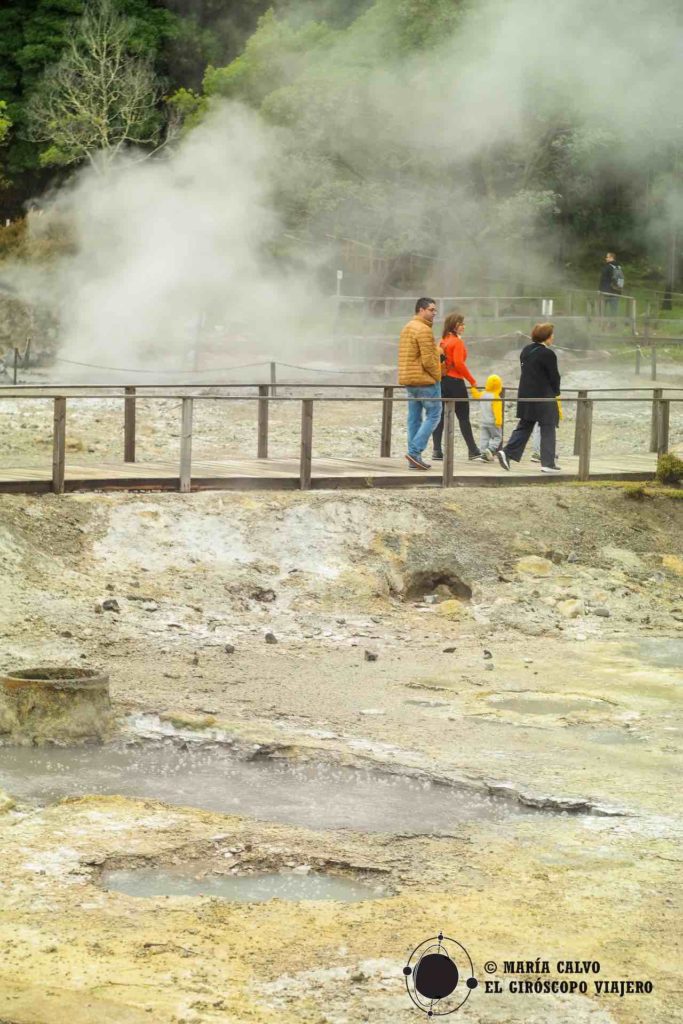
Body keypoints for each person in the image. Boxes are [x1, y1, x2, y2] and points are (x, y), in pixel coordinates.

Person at [497, 322, 561, 473]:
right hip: (544, 397)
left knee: (525, 425)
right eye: (551, 335)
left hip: (526, 394)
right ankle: (548, 463)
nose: (553, 337)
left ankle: (507, 452)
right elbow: (554, 376)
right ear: (546, 337)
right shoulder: (548, 354)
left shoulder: (526, 350)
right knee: (548, 427)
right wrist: (556, 392)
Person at [431, 312, 483, 462]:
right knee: (463, 417)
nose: (463, 327)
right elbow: (459, 364)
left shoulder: (442, 341)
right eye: (461, 324)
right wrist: (472, 380)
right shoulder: (457, 342)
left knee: (440, 417)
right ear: (455, 326)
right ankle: (473, 450)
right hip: (456, 383)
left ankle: (437, 450)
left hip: (442, 381)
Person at [398, 297, 442, 470]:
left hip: (410, 380)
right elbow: (428, 360)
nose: (434, 313)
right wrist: (437, 375)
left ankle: (413, 458)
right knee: (434, 415)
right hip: (425, 380)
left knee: (414, 418)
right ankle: (415, 452)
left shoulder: (407, 327)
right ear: (421, 310)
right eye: (431, 310)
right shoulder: (423, 329)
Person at [478, 373, 504, 460]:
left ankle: (483, 454)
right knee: (497, 437)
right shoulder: (496, 397)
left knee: (484, 438)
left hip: (483, 421)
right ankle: (490, 449)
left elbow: (475, 395)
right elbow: (497, 411)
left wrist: (473, 389)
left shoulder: (483, 394)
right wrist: (499, 421)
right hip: (493, 422)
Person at [599, 252, 623, 319]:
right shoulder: (618, 267)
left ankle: (602, 323)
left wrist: (600, 290)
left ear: (611, 258)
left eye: (607, 257)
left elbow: (603, 280)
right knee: (614, 310)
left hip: (606, 291)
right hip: (616, 291)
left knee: (602, 309)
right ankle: (613, 325)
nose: (606, 258)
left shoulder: (608, 267)